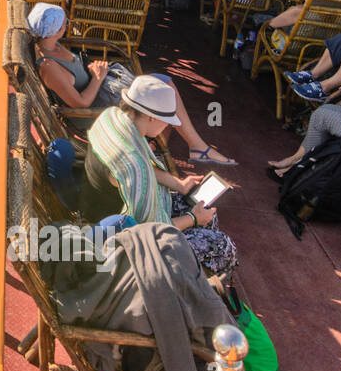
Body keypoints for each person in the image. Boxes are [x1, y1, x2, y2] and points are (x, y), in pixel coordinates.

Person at [29, 3, 236, 165]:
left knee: (165, 83)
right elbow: (80, 104)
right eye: (64, 22)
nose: (67, 24)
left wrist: (97, 73)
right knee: (163, 93)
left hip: (105, 92)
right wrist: (98, 77)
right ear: (55, 29)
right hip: (97, 111)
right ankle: (168, 149)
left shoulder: (52, 46)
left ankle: (189, 146)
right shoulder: (49, 66)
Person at [86, 76, 239, 278]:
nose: (167, 127)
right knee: (222, 246)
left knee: (202, 207)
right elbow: (151, 229)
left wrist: (179, 184)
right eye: (166, 121)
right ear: (151, 117)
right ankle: (188, 285)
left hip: (106, 207)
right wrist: (193, 219)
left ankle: (197, 269)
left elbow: (145, 169)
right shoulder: (134, 166)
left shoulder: (113, 117)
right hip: (124, 235)